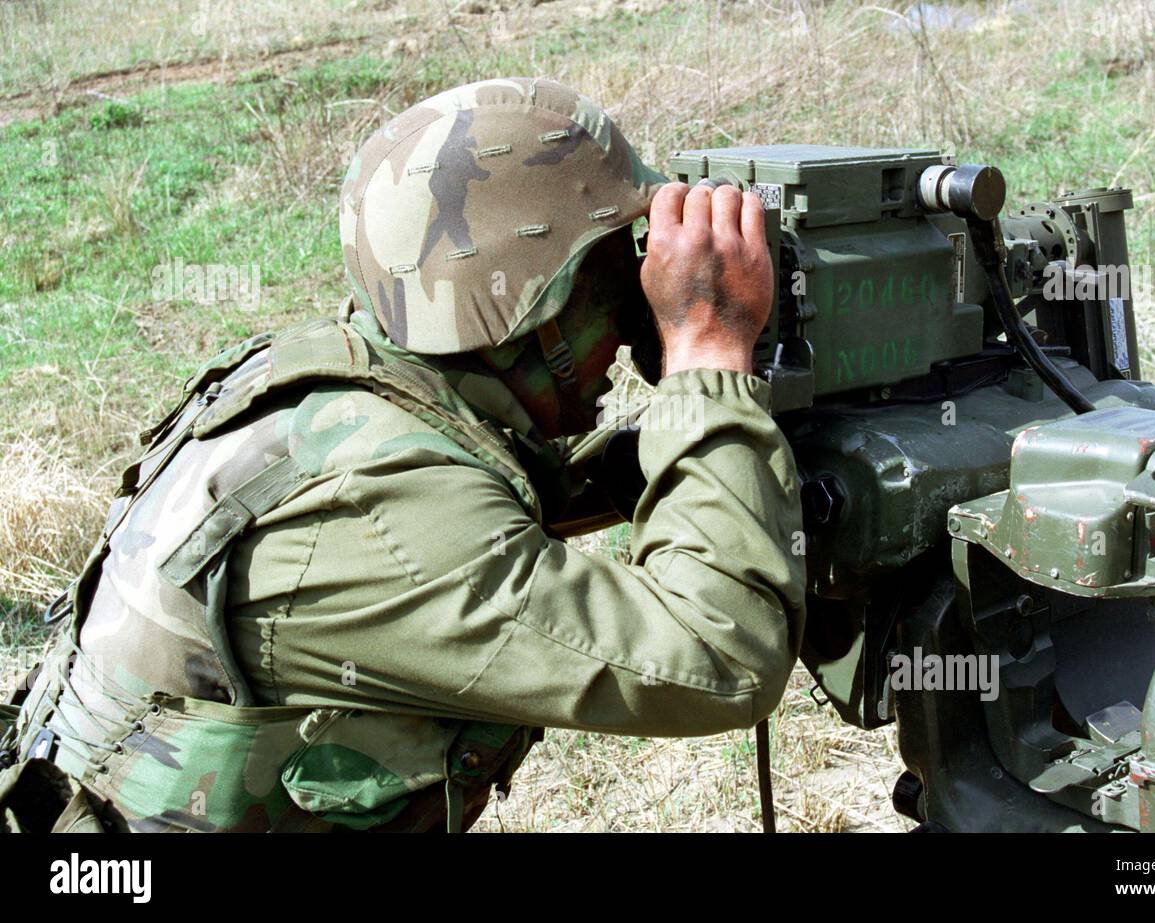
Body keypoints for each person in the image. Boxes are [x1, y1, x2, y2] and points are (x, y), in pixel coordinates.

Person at [0, 77, 806, 832]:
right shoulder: (383, 510)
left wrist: (705, 431)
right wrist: (706, 353)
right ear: (536, 306)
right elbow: (720, 651)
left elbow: (510, 491)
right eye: (609, 278)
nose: (638, 309)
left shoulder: (350, 384)